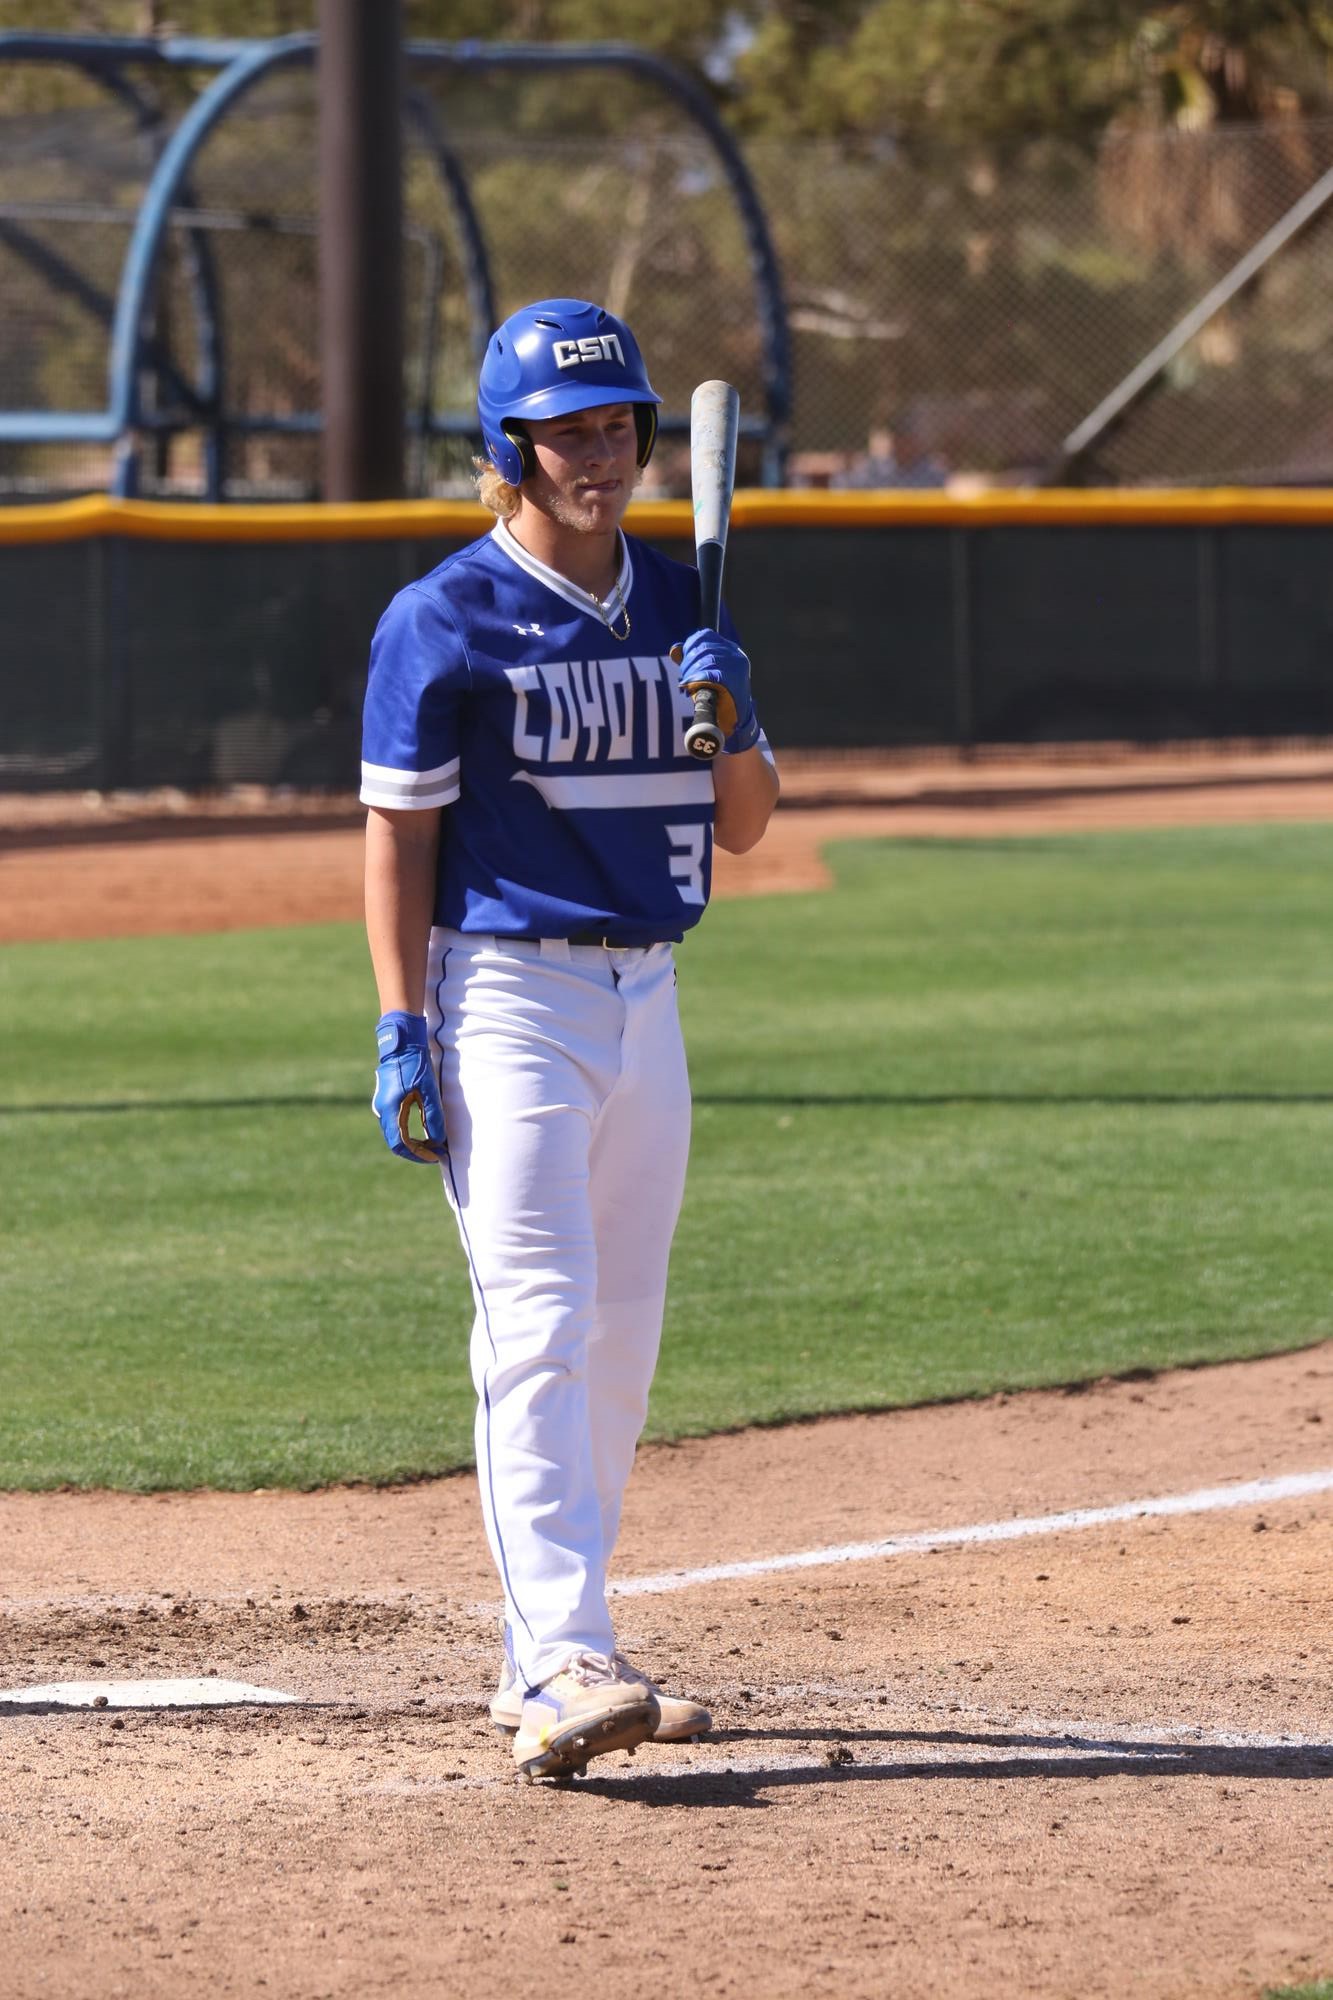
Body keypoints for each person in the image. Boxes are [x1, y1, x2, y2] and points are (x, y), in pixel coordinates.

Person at [359, 298, 780, 1782]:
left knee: (621, 1338)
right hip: (505, 998)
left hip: (647, 998)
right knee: (537, 1320)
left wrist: (732, 718)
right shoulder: (443, 618)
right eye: (564, 435)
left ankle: (552, 1635)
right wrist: (401, 1021)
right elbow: (397, 838)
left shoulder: (677, 602)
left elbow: (745, 824)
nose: (597, 457)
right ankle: (559, 1657)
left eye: (616, 429)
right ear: (507, 450)